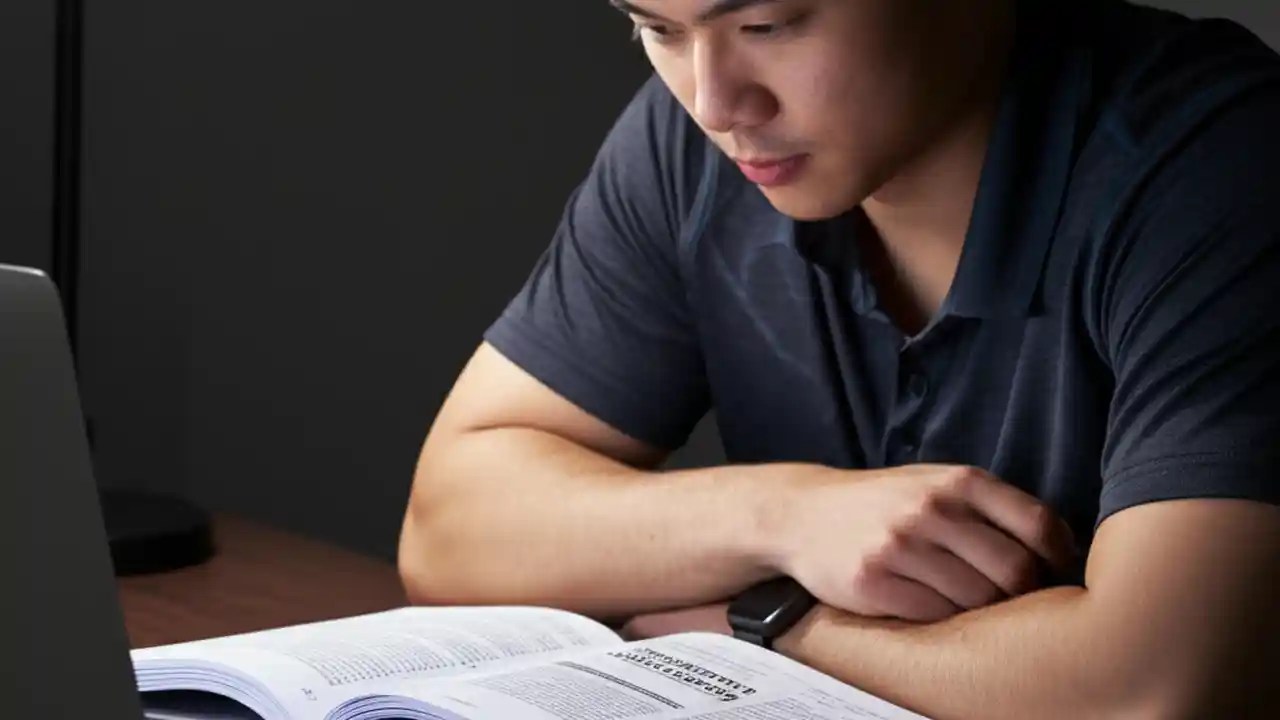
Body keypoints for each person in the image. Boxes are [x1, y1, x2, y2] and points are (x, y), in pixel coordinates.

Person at [399, 0, 1280, 716]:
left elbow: (1154, 688)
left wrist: (759, 625)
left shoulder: (1221, 164)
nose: (714, 103)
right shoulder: (693, 153)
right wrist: (786, 515)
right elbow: (450, 528)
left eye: (769, 25)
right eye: (658, 29)